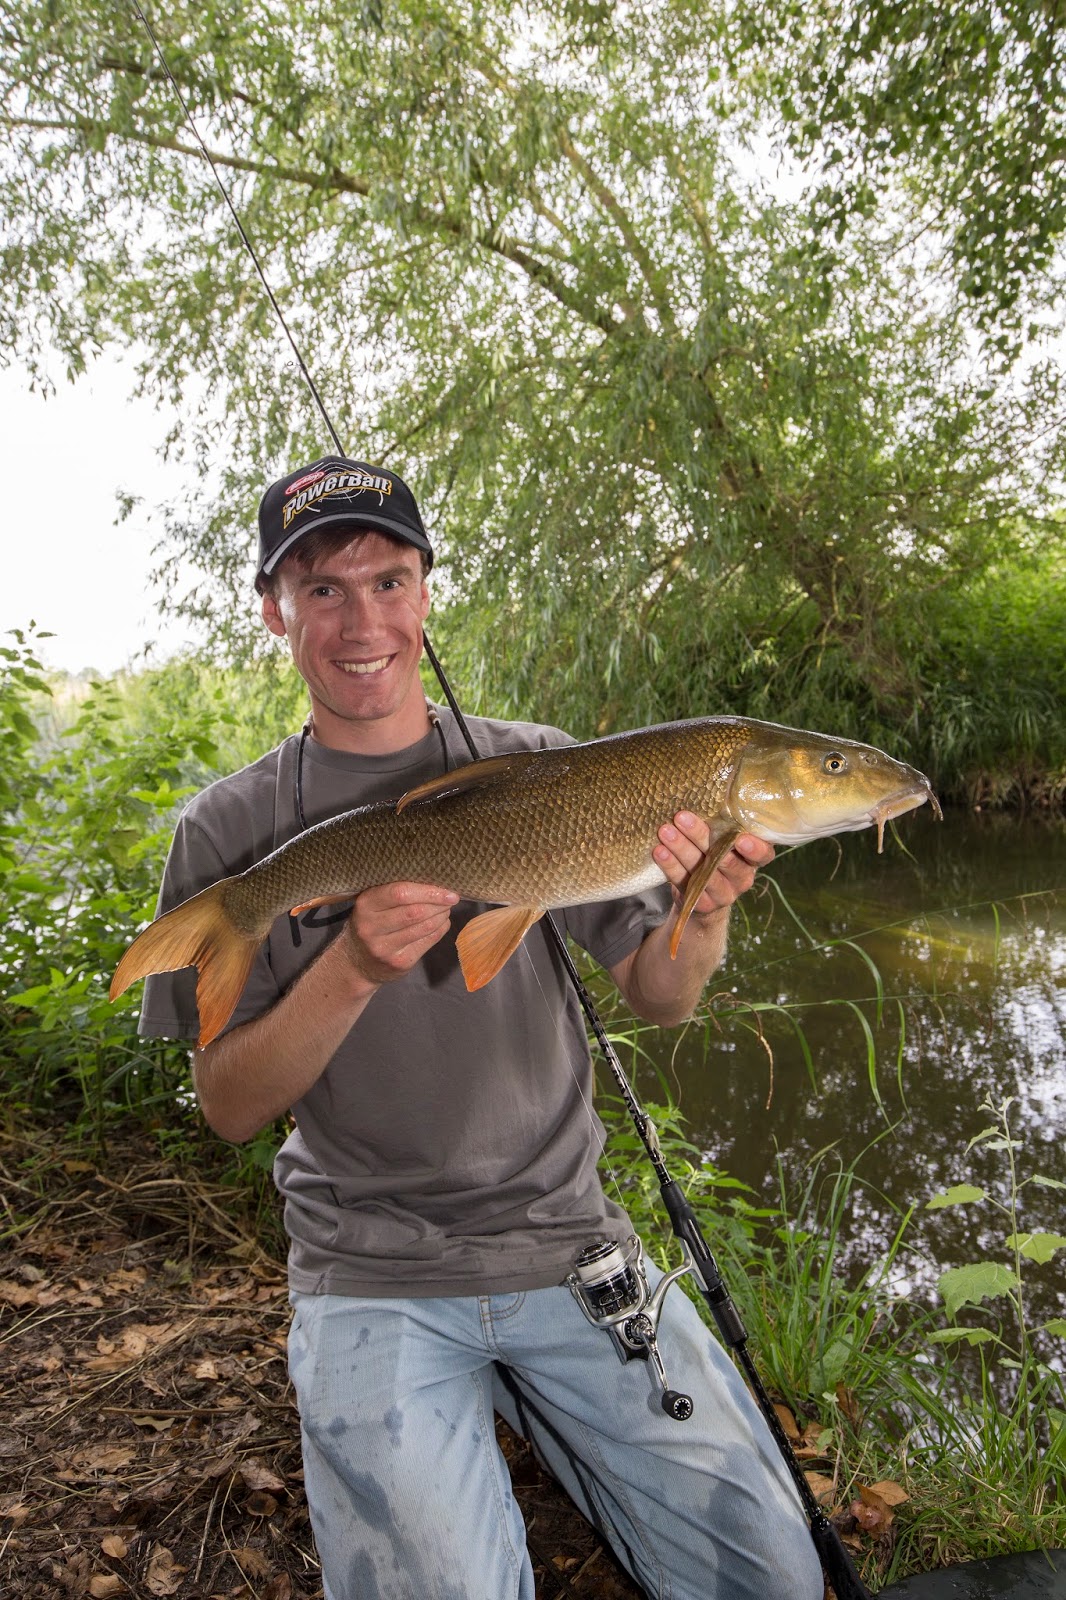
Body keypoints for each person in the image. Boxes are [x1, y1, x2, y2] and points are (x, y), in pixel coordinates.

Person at [139, 456, 823, 1600]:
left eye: (390, 580)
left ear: (425, 592)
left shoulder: (554, 766)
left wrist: (700, 914)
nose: (365, 621)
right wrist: (352, 964)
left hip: (568, 1241)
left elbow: (662, 998)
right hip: (372, 1270)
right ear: (274, 611)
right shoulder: (231, 830)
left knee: (772, 1576)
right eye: (324, 590)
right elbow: (228, 1108)